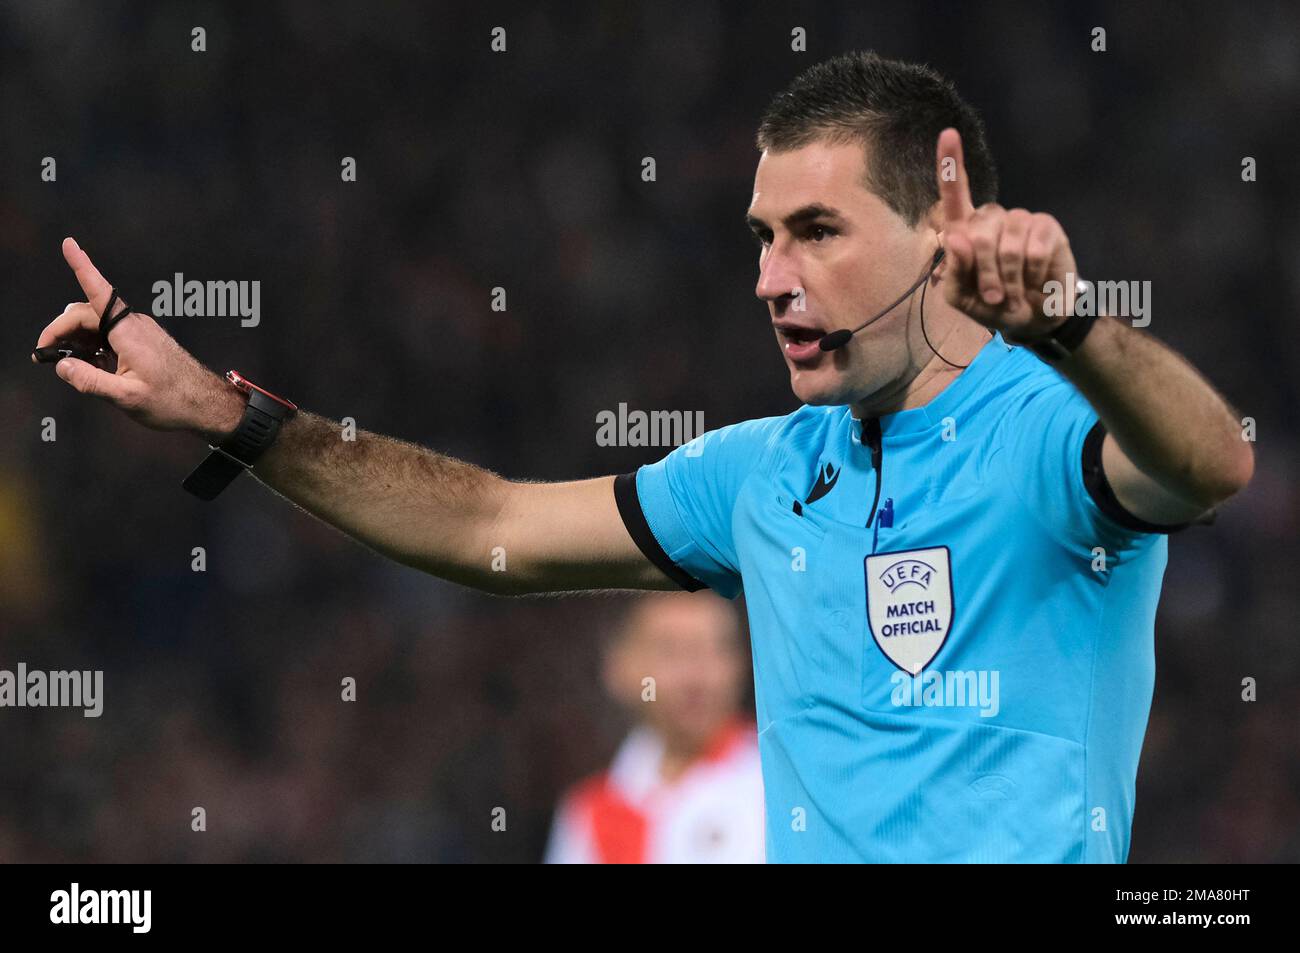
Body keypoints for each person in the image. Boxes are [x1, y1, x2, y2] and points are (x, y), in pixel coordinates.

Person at [33, 51, 1253, 862]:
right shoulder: (760, 474)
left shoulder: (1045, 437)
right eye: (763, 237)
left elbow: (1204, 467)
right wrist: (233, 415)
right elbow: (483, 525)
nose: (772, 278)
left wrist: (1075, 331)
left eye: (817, 231)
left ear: (940, 217)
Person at [545, 591, 764, 864]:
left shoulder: (778, 782)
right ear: (619, 666)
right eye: (670, 651)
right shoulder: (592, 813)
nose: (695, 677)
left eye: (716, 648)